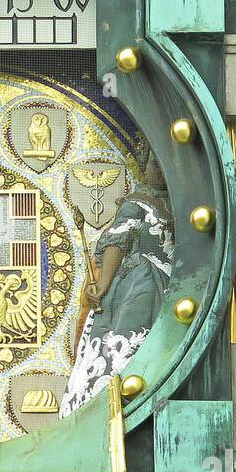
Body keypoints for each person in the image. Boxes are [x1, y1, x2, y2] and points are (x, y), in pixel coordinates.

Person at [61, 146, 174, 416]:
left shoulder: (178, 204)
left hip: (170, 287)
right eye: (153, 165)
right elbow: (117, 244)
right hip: (142, 282)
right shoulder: (136, 203)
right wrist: (103, 284)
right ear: (144, 170)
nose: (158, 172)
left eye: (163, 166)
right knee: (125, 346)